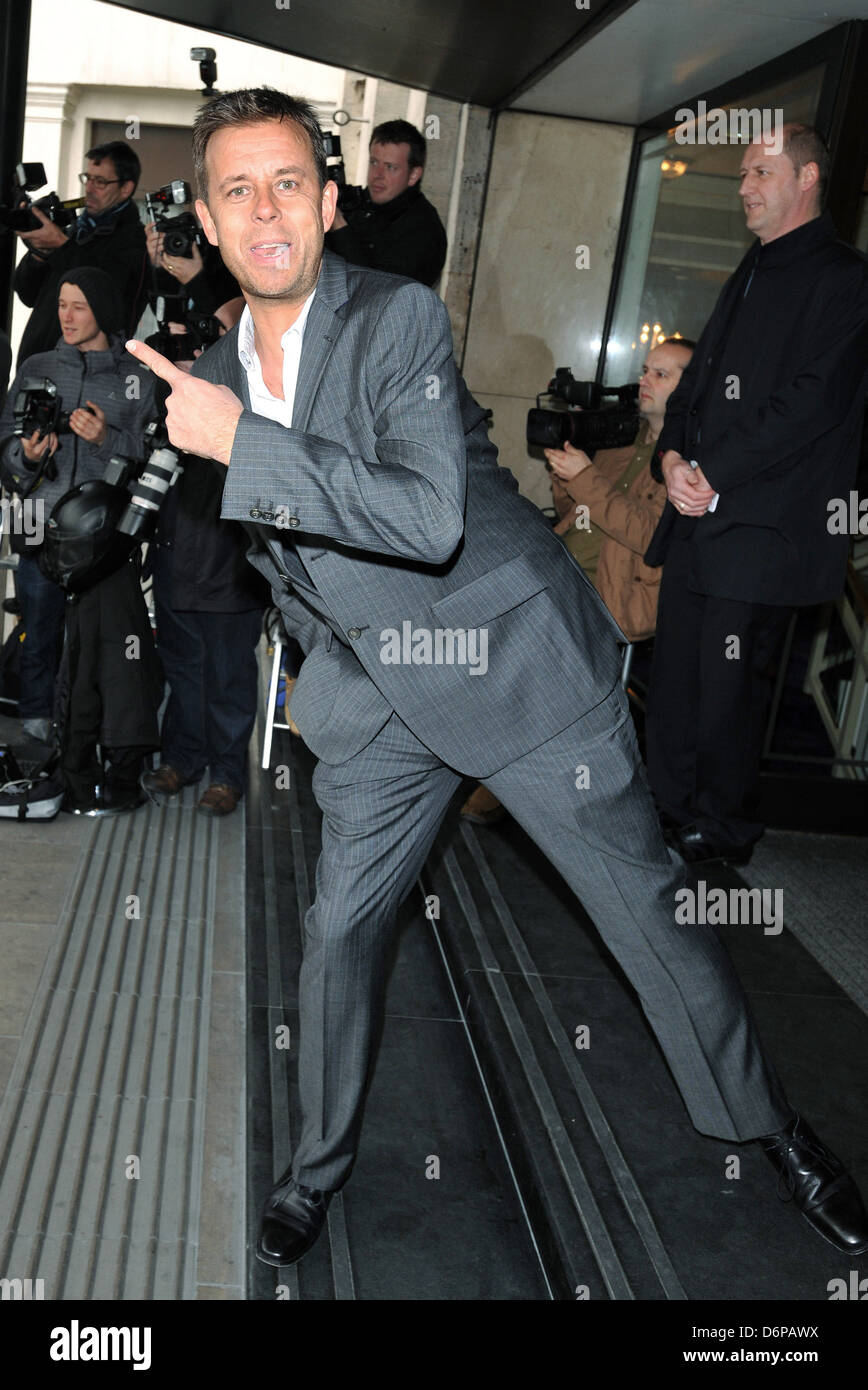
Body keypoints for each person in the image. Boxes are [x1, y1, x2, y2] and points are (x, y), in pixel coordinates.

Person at [126, 88, 868, 1269]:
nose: (263, 209)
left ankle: (770, 1130)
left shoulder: (396, 320)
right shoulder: (208, 374)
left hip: (513, 665)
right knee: (334, 937)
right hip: (381, 706)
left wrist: (244, 446)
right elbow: (280, 560)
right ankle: (314, 1168)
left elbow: (423, 519)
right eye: (234, 190)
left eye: (284, 184)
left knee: (649, 914)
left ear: (326, 204)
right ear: (209, 224)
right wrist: (325, 672)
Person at [644, 124, 868, 865]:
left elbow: (812, 404)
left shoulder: (845, 278)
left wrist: (715, 472)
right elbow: (699, 383)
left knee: (728, 689)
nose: (743, 186)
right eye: (742, 173)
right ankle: (669, 811)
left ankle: (722, 828)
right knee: (676, 677)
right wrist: (672, 454)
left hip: (763, 529)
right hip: (700, 516)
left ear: (806, 178)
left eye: (759, 172)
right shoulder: (752, 267)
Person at [461, 337, 692, 827]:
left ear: (691, 390)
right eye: (647, 370)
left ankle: (501, 775)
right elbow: (577, 513)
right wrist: (567, 479)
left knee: (523, 647)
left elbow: (650, 536)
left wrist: (585, 479)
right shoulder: (620, 444)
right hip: (563, 571)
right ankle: (498, 763)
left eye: (662, 375)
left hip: (618, 594)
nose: (644, 380)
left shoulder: (687, 466)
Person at [0, 267, 156, 744]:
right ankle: (36, 725)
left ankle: (90, 732)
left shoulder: (137, 378)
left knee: (101, 642)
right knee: (38, 629)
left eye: (78, 306)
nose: (65, 316)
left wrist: (107, 439)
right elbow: (6, 446)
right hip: (34, 522)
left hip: (101, 537)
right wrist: (25, 456)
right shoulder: (37, 367)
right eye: (61, 305)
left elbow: (152, 459)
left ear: (102, 311)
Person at [142, 305, 268, 818]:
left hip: (232, 567)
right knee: (183, 672)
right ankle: (182, 758)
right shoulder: (170, 396)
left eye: (215, 334)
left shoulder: (251, 392)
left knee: (230, 678)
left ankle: (228, 775)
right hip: (176, 558)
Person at [13, 141, 148, 366]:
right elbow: (27, 294)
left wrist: (61, 246)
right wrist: (40, 254)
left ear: (126, 189)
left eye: (101, 181)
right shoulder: (75, 228)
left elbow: (103, 296)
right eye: (88, 178)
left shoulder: (134, 242)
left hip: (90, 374)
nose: (89, 188)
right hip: (36, 365)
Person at [325, 119, 447, 286]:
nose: (377, 174)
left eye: (390, 167)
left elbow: (375, 289)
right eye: (374, 162)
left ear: (413, 175)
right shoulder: (360, 204)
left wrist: (339, 225)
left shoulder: (423, 230)